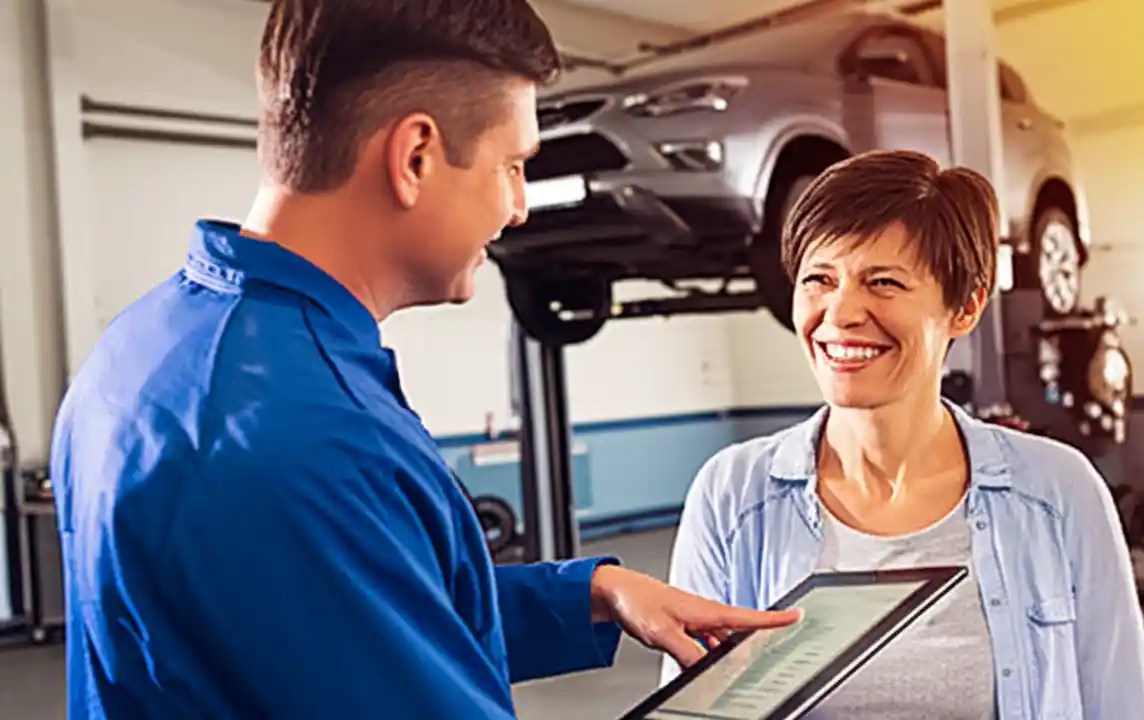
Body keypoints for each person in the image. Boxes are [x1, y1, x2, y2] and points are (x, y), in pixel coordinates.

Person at [48, 2, 801, 718]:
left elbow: (342, 619)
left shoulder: (146, 344)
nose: (519, 207)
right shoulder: (307, 435)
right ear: (416, 156)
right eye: (513, 165)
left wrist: (593, 594)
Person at [663, 150, 1144, 718]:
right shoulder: (733, 496)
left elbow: (1121, 701)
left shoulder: (1057, 493)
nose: (841, 312)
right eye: (819, 279)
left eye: (884, 282)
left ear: (966, 306)